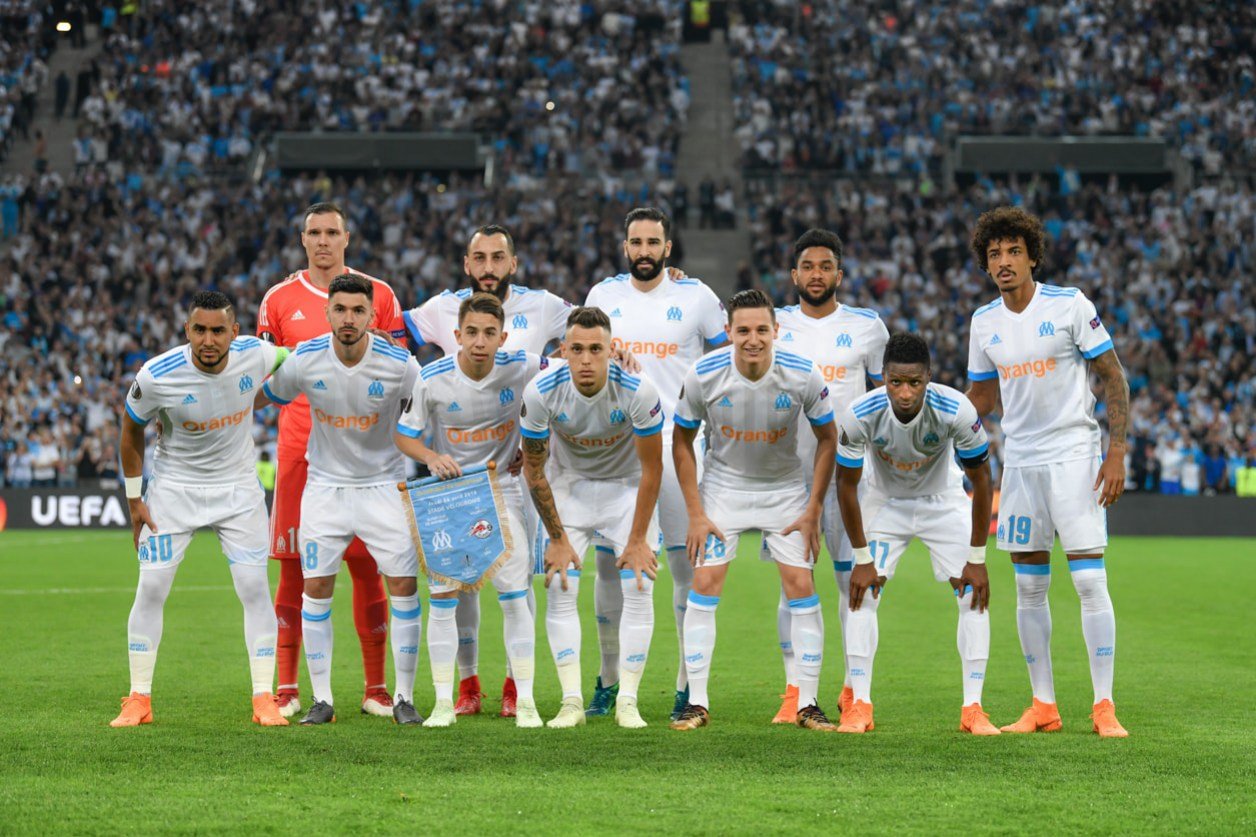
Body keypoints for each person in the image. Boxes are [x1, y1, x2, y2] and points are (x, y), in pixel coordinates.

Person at [965, 206, 1130, 738]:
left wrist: (1117, 450)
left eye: (1014, 251)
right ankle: (1044, 705)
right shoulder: (984, 322)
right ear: (986, 263)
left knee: (1088, 580)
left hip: (1074, 455)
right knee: (1029, 588)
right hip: (1020, 461)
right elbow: (983, 397)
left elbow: (1113, 377)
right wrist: (944, 423)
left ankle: (1103, 705)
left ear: (1032, 256)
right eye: (995, 253)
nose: (1004, 261)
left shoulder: (1070, 305)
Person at [400, 223, 570, 718]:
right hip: (450, 492)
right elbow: (391, 324)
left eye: (499, 257)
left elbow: (573, 369)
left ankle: (518, 691)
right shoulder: (435, 350)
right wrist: (430, 457)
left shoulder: (528, 348)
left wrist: (536, 444)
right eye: (480, 257)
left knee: (518, 588)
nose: (489, 267)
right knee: (456, 595)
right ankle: (467, 686)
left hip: (510, 486)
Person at [257, 201, 406, 719]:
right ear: (303, 239)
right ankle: (288, 687)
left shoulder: (379, 294)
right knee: (294, 570)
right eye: (314, 232)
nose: (323, 240)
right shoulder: (278, 299)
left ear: (347, 238)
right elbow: (266, 376)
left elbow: (401, 369)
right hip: (300, 453)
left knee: (368, 568)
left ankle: (376, 689)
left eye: (331, 232)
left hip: (367, 458)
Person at [112, 291, 288, 728]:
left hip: (239, 491)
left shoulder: (257, 354)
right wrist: (135, 500)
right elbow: (131, 429)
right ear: (187, 330)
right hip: (174, 491)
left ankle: (263, 698)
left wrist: (268, 394)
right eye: (200, 330)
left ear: (235, 332)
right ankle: (139, 698)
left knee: (254, 589)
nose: (208, 340)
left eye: (218, 331)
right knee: (151, 589)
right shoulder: (157, 375)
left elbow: (295, 357)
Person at [584, 206, 729, 721]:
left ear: (668, 247)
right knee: (610, 565)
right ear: (625, 246)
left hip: (678, 444)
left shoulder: (697, 296)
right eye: (636, 242)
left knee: (686, 567)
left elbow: (727, 358)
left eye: (653, 243)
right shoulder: (603, 296)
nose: (644, 251)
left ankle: (687, 686)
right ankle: (607, 681)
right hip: (618, 446)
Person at [670, 289, 838, 732]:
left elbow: (829, 438)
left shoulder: (802, 373)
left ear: (776, 331)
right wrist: (695, 512)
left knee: (800, 584)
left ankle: (808, 703)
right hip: (723, 488)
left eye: (762, 329)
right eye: (743, 330)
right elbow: (681, 441)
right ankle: (697, 702)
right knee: (705, 582)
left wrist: (813, 508)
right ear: (728, 332)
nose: (753, 339)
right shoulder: (703, 374)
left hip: (784, 490)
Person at [835, 333, 999, 735]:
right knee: (862, 595)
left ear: (929, 377)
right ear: (883, 378)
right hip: (885, 501)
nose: (905, 393)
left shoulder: (956, 410)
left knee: (972, 596)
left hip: (942, 500)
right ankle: (860, 705)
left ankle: (973, 709)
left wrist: (977, 558)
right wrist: (862, 559)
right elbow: (845, 485)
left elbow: (982, 481)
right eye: (895, 382)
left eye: (914, 382)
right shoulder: (860, 414)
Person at [520, 306, 666, 729]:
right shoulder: (541, 391)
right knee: (560, 585)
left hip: (626, 488)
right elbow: (534, 469)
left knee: (640, 583)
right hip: (570, 487)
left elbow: (652, 469)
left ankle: (628, 701)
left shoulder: (639, 390)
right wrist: (556, 538)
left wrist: (637, 540)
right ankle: (571, 702)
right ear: (563, 350)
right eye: (577, 349)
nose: (586, 360)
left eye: (596, 350)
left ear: (611, 350)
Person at [770, 228, 888, 724]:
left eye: (825, 267)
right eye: (807, 267)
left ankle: (853, 689)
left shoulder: (868, 327)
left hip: (850, 479)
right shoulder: (774, 324)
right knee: (792, 586)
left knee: (852, 583)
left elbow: (885, 398)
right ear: (793, 274)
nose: (816, 275)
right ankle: (794, 691)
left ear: (839, 274)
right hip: (787, 477)